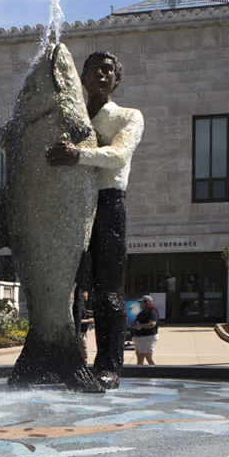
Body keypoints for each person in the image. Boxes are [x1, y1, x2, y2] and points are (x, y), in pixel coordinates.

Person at [46, 51, 145, 389]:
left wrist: (78, 155)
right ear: (83, 77)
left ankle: (109, 365)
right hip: (72, 207)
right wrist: (8, 144)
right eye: (94, 69)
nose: (101, 75)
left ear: (117, 79)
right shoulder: (68, 119)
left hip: (109, 203)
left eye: (108, 70)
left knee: (107, 291)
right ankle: (67, 361)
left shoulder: (128, 116)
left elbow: (119, 155)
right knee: (68, 289)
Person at [132, 295, 159, 365]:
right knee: (139, 357)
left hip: (147, 337)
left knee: (148, 357)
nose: (140, 304)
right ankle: (139, 371)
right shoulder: (142, 313)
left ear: (147, 303)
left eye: (142, 302)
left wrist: (140, 325)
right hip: (139, 337)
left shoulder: (152, 312)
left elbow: (152, 324)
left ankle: (155, 370)